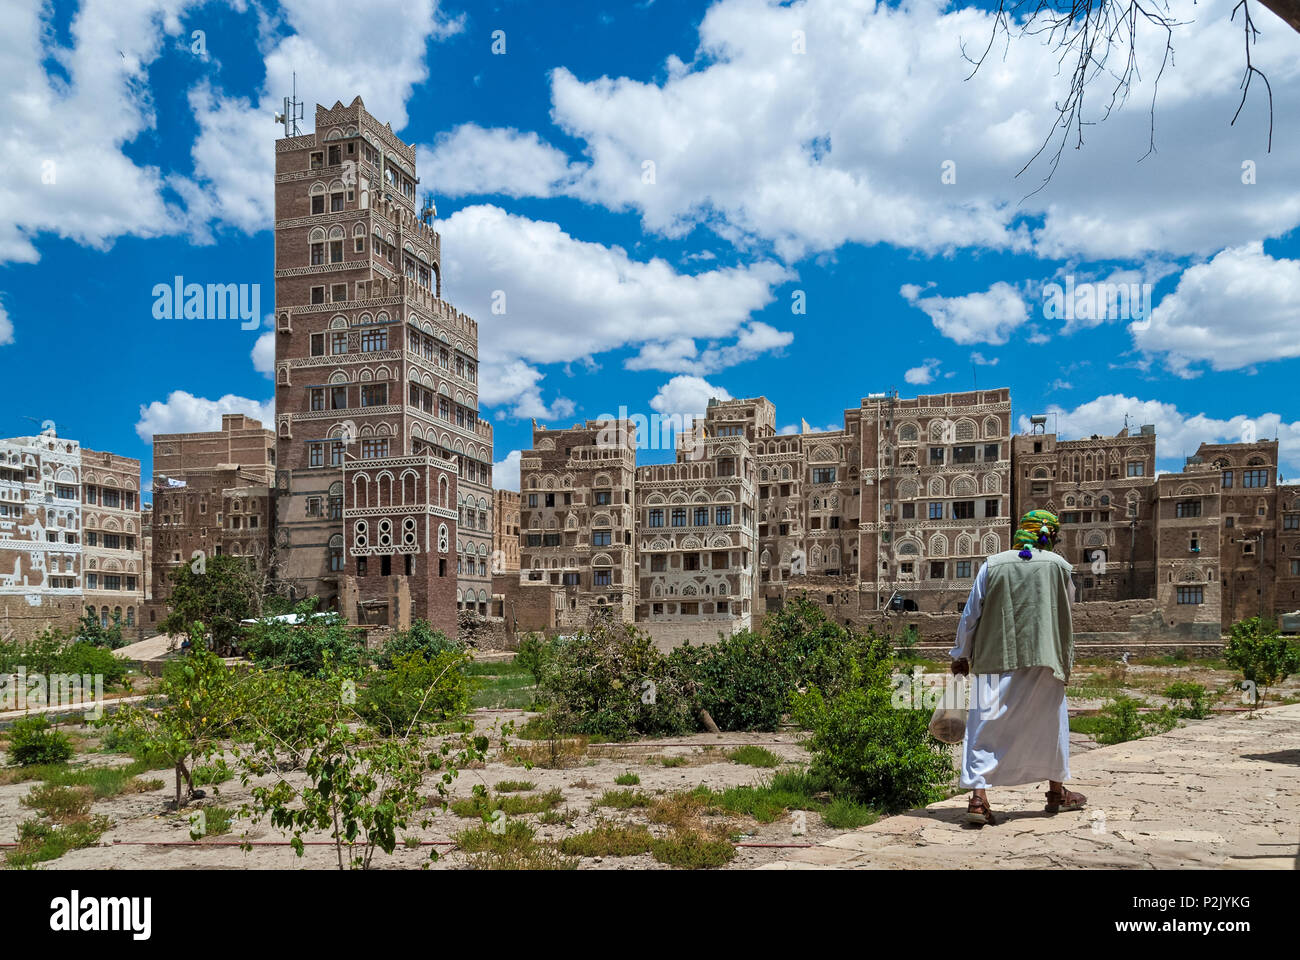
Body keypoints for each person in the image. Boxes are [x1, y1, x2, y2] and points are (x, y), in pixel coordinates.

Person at [949, 509, 1087, 825]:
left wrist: (960, 655)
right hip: (1045, 659)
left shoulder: (992, 566)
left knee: (986, 728)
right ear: (1050, 537)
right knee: (1049, 726)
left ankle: (979, 800)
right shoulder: (1059, 567)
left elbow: (971, 615)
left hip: (997, 659)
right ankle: (1056, 793)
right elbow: (1068, 607)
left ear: (1020, 533)